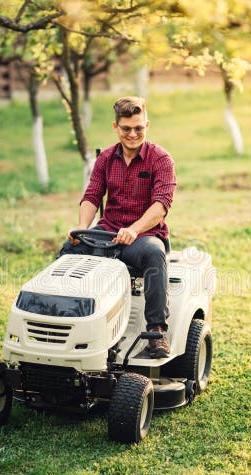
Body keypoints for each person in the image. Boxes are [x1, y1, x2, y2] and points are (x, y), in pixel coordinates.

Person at [61, 96, 177, 358]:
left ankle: (156, 331)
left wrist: (134, 229)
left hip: (144, 236)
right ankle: (68, 318)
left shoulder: (161, 160)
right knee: (69, 249)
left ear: (147, 125)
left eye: (139, 128)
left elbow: (161, 204)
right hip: (108, 232)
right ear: (116, 127)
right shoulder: (105, 159)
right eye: (126, 128)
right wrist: (81, 227)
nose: (133, 134)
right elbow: (92, 195)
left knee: (155, 253)